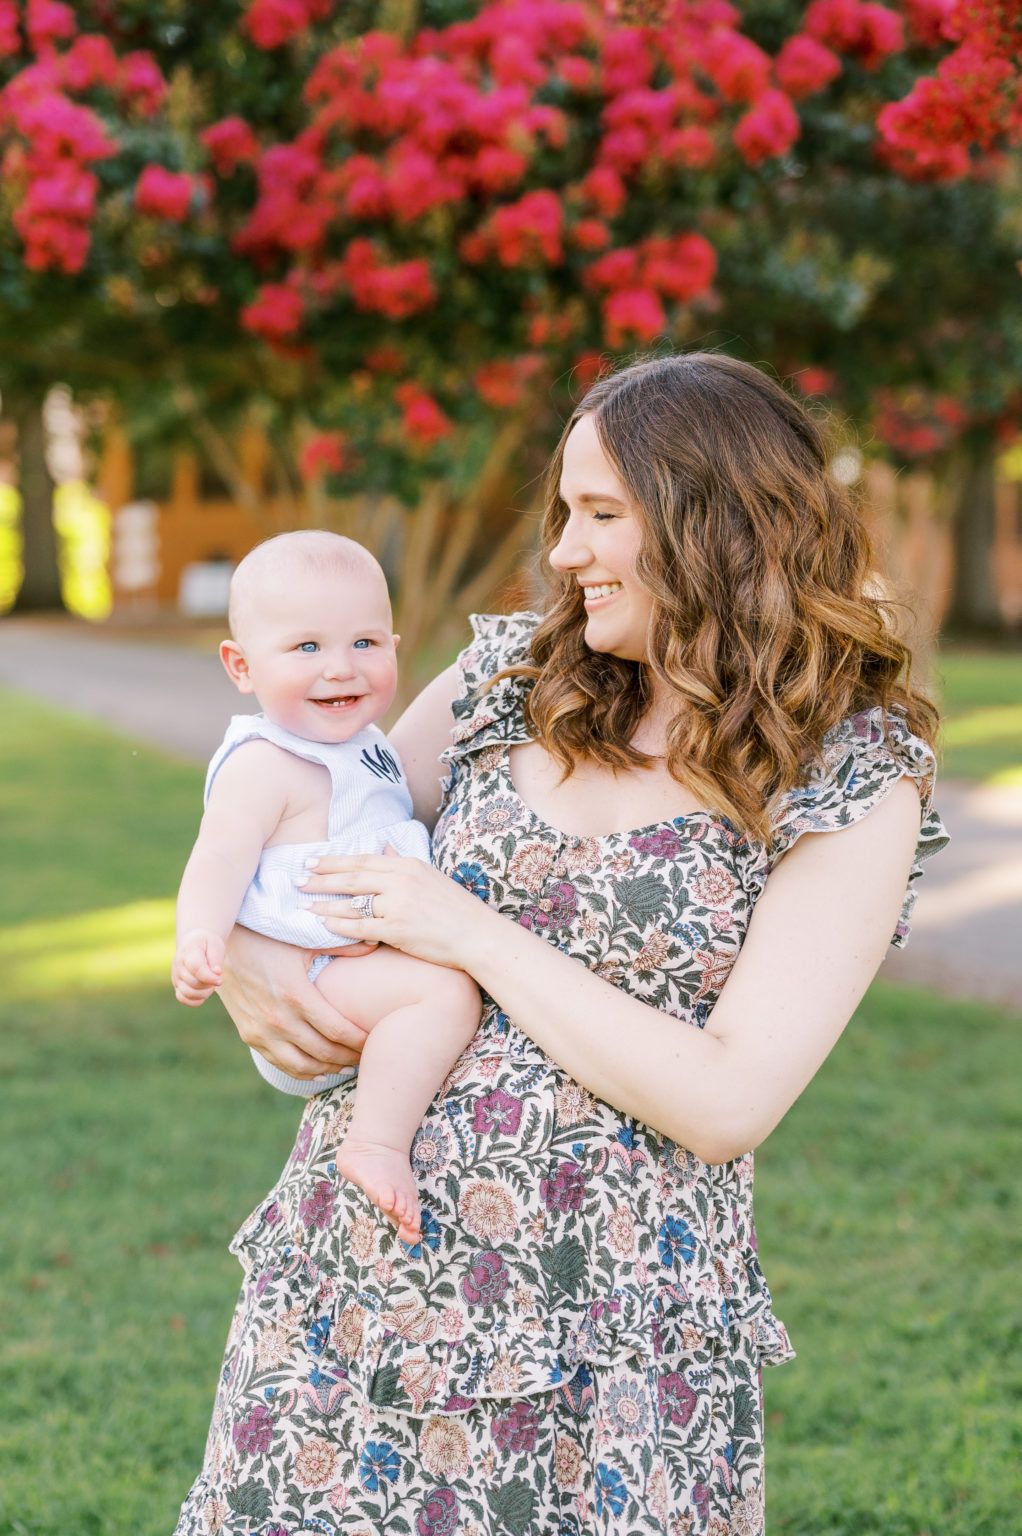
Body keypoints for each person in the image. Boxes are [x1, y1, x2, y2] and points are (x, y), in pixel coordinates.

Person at [173, 353, 948, 1536]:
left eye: (600, 516)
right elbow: (290, 822)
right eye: (563, 514)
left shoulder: (849, 773)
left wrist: (467, 935)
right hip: (361, 1291)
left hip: (612, 1333)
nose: (564, 552)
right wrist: (249, 960)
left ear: (714, 522)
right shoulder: (505, 681)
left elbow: (727, 1097)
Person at [171, 531, 481, 1243]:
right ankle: (375, 1144)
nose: (341, 669)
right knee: (447, 993)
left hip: (348, 964)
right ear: (241, 666)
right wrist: (203, 939)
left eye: (366, 644)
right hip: (310, 983)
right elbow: (216, 858)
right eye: (306, 648)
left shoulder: (364, 746)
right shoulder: (265, 764)